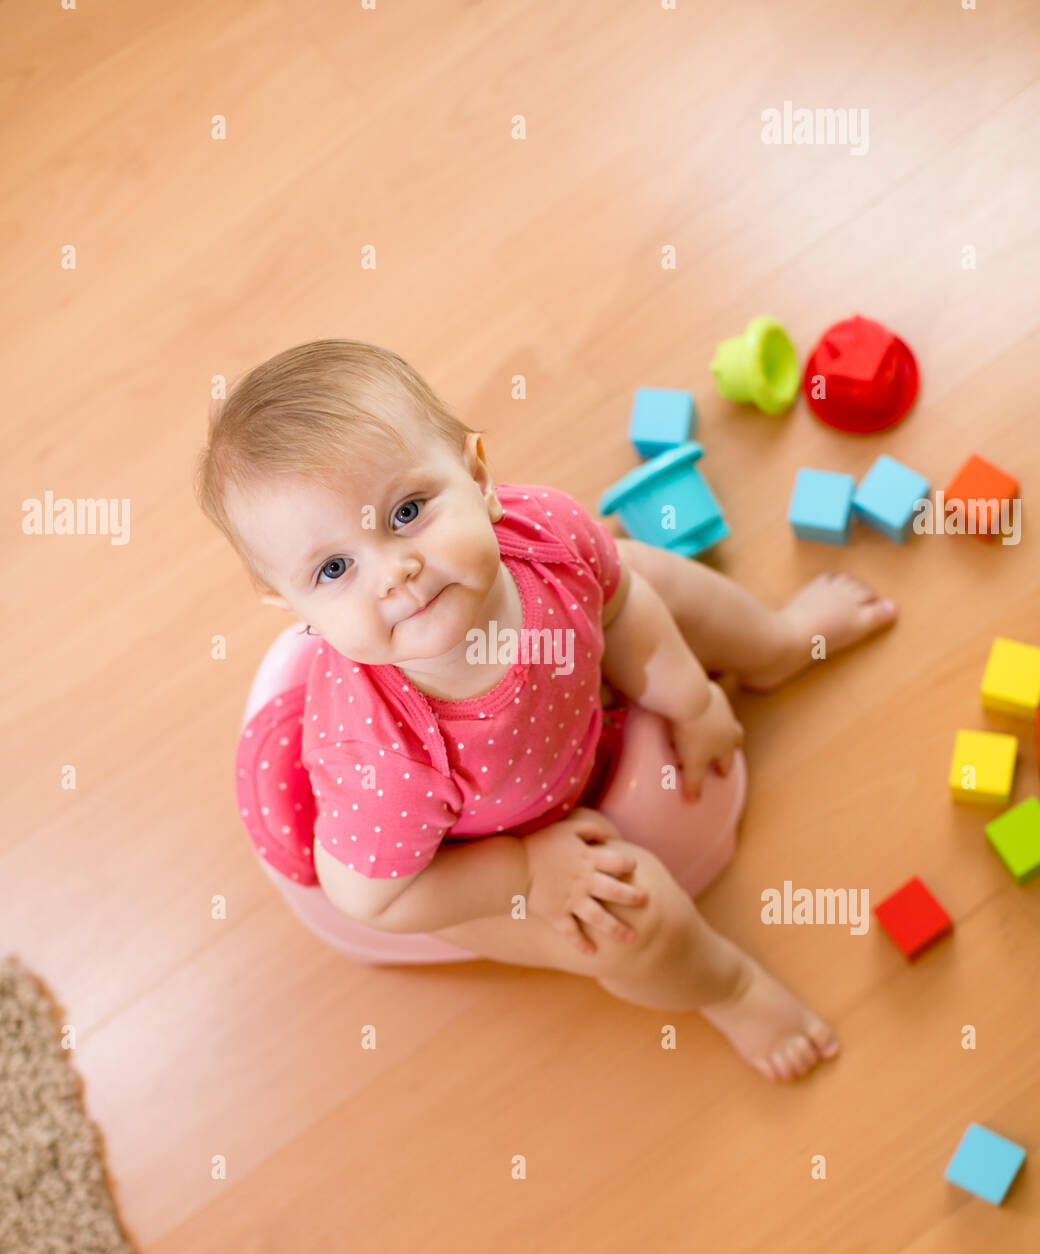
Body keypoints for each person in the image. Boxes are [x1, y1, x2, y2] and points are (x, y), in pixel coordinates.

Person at [195, 339, 898, 1082]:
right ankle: (730, 988)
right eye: (334, 569)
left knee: (644, 574)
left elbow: (626, 609)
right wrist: (525, 873)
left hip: (562, 721)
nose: (394, 572)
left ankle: (776, 643)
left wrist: (691, 701)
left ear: (478, 479)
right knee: (628, 921)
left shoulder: (541, 535)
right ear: (295, 605)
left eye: (407, 512)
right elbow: (373, 897)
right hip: (486, 851)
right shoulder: (382, 762)